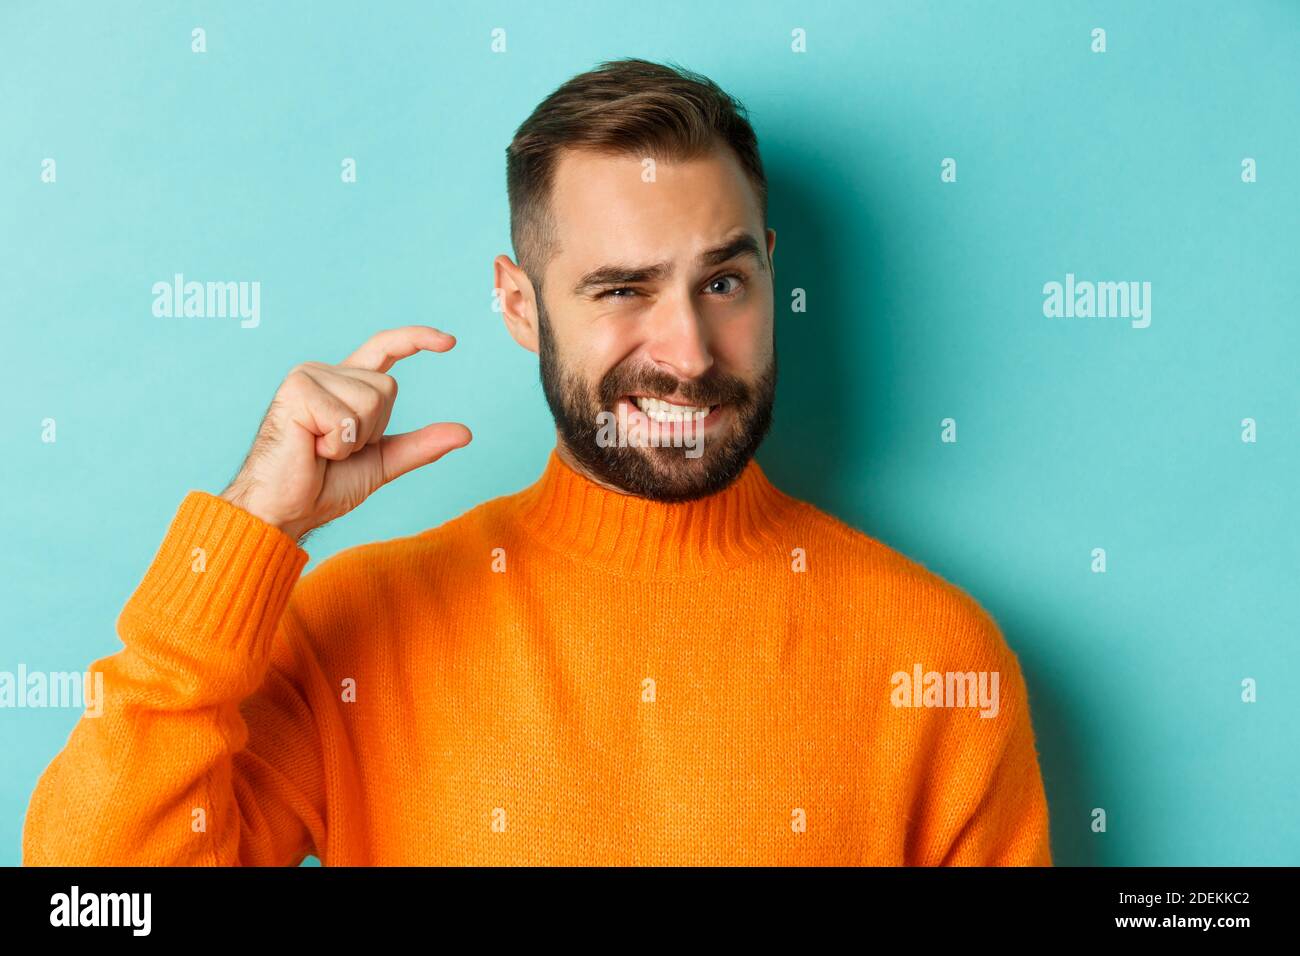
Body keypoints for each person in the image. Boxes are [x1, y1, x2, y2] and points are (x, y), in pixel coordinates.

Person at [23, 57, 1051, 866]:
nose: (687, 353)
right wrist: (251, 526)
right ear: (521, 305)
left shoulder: (937, 653)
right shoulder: (356, 630)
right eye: (620, 290)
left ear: (770, 268)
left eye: (723, 282)